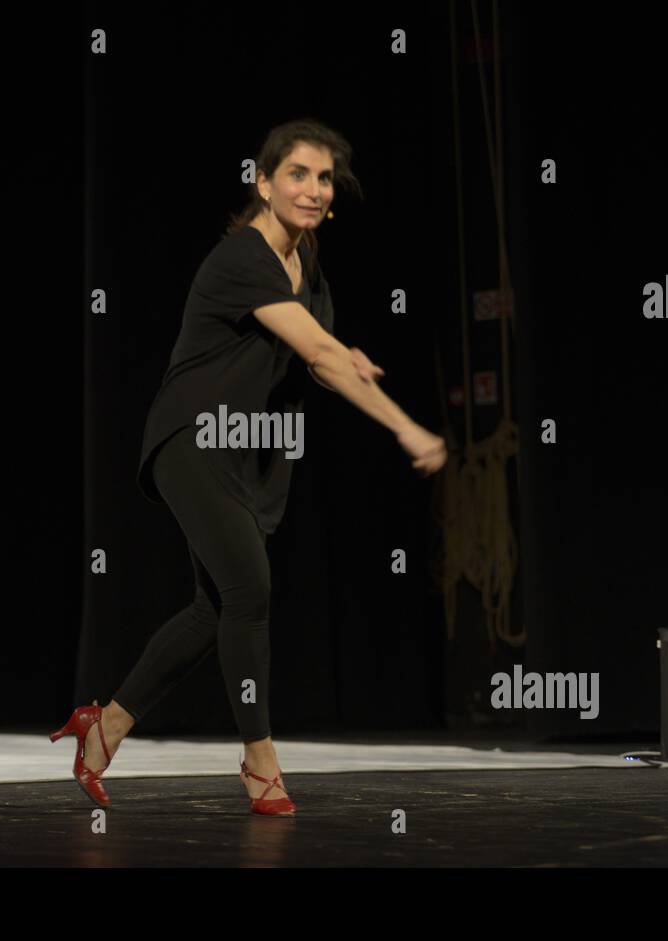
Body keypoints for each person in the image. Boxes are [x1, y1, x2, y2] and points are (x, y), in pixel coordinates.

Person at [51, 119, 447, 815]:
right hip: (191, 437)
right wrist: (406, 425)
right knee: (251, 587)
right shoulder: (243, 257)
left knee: (217, 607)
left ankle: (105, 723)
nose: (313, 189)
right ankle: (259, 759)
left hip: (248, 452)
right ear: (262, 183)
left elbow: (321, 363)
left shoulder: (310, 271)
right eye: (297, 174)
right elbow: (322, 354)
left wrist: (345, 364)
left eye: (324, 178)